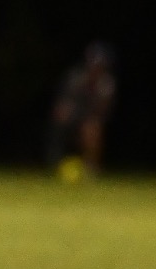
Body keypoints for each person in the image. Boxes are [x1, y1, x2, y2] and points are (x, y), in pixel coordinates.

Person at [48, 42, 117, 180]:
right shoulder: (75, 78)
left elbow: (101, 113)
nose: (95, 68)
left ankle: (91, 169)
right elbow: (63, 102)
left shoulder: (106, 85)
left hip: (90, 119)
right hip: (72, 118)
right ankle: (54, 162)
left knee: (92, 128)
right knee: (60, 116)